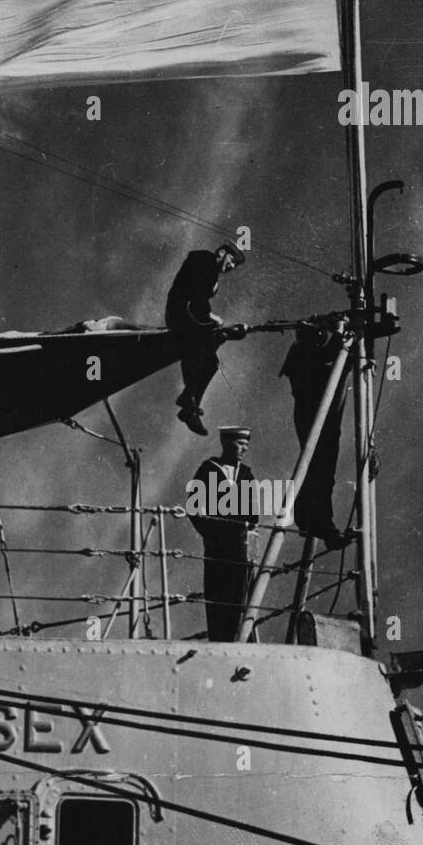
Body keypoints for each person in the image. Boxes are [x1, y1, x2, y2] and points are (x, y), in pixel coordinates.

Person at [279, 323, 352, 550]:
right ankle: (320, 524)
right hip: (314, 416)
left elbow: (334, 366)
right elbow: (330, 353)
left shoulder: (306, 355)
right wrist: (341, 331)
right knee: (319, 470)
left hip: (320, 416)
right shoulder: (302, 350)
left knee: (322, 470)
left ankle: (314, 522)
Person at [186, 425, 259, 642]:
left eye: (246, 444)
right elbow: (194, 506)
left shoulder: (246, 473)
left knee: (240, 593)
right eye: (239, 443)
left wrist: (249, 531)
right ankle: (219, 638)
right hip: (217, 544)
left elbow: (253, 513)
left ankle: (239, 638)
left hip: (241, 545)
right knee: (218, 592)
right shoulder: (209, 469)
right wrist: (212, 531)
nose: (244, 449)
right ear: (226, 443)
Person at [165, 242, 246, 435]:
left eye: (234, 265)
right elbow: (196, 293)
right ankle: (189, 401)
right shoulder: (204, 260)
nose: (231, 266)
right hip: (182, 314)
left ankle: (189, 403)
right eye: (231, 260)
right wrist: (211, 317)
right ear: (221, 253)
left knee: (210, 362)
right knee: (209, 339)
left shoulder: (211, 270)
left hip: (190, 316)